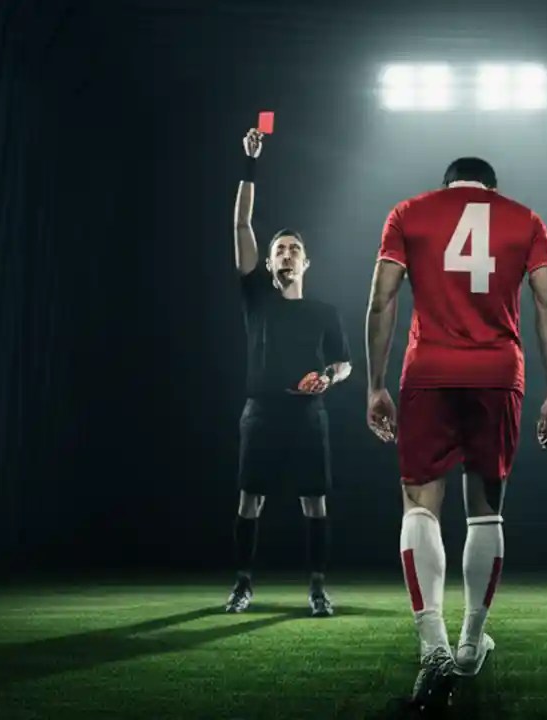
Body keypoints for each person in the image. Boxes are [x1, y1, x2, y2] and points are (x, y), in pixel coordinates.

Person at [364, 157, 547, 709]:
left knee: (420, 508)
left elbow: (382, 299)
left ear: (446, 185)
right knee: (486, 511)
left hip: (428, 372)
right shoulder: (524, 219)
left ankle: (433, 645)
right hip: (498, 376)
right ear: (492, 188)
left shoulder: (409, 212)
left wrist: (375, 385)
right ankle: (471, 642)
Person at [226, 127, 352, 617]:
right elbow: (241, 224)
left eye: (293, 249)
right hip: (260, 411)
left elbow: (343, 362)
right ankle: (242, 585)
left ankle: (317, 589)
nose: (284, 254)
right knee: (249, 501)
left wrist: (331, 378)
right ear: (269, 261)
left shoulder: (323, 312)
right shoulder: (256, 297)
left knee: (314, 503)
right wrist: (250, 164)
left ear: (306, 262)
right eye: (278, 249)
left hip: (307, 415)